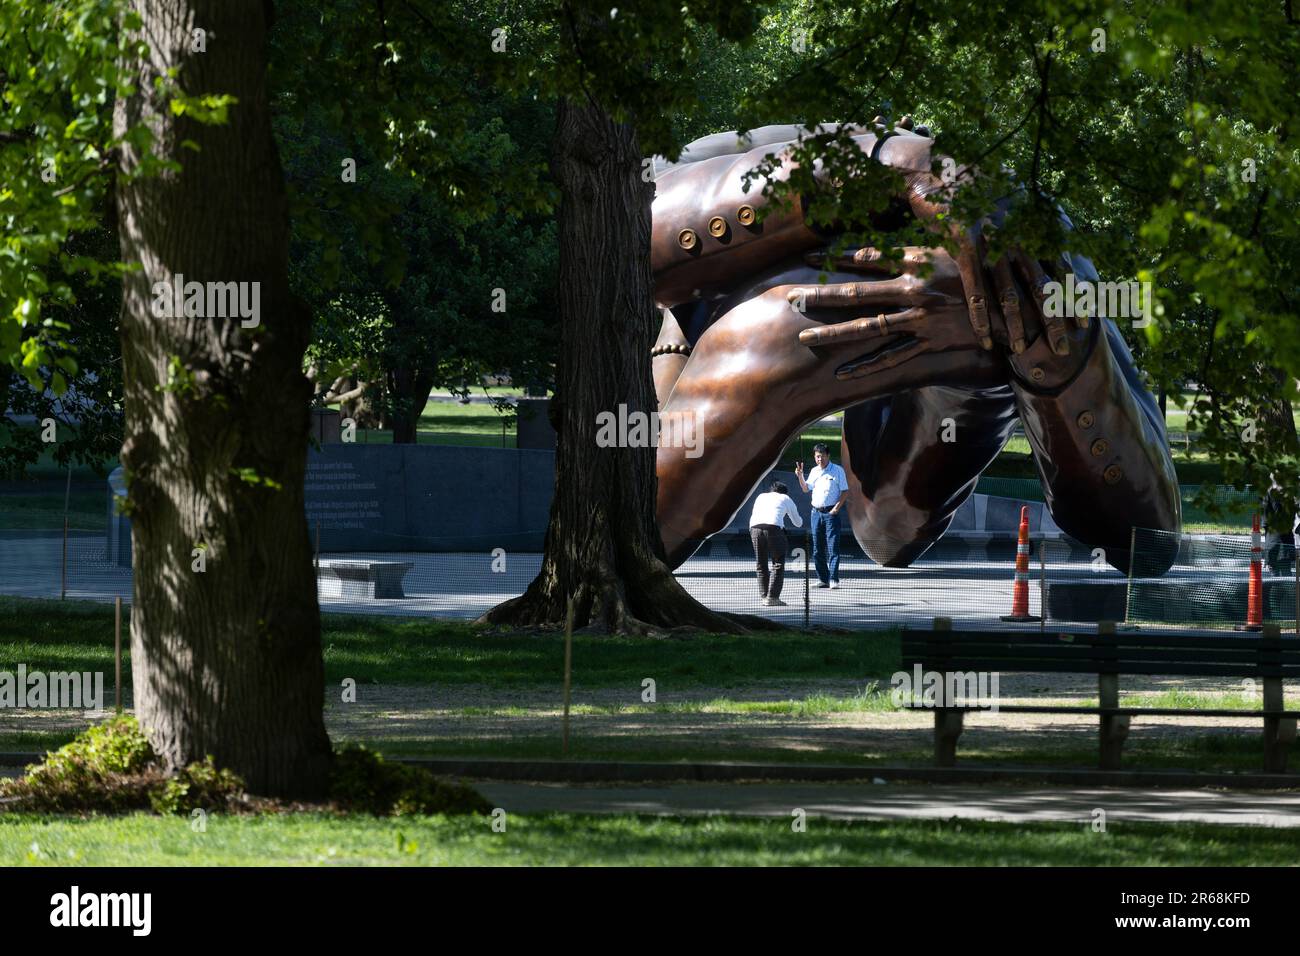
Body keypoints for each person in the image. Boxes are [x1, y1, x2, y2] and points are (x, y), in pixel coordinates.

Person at [796, 444, 848, 588]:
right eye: (818, 456)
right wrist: (800, 476)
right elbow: (806, 488)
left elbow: (845, 491)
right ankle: (823, 578)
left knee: (833, 547)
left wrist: (836, 508)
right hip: (816, 513)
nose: (820, 459)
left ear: (828, 456)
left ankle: (833, 579)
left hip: (831, 512)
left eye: (823, 456)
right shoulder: (814, 471)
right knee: (817, 548)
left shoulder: (837, 470)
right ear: (815, 457)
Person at [747, 480, 803, 606]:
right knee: (778, 563)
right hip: (773, 528)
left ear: (771, 490)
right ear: (784, 492)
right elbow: (798, 523)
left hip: (754, 528)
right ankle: (772, 597)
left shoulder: (761, 496)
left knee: (760, 564)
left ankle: (764, 596)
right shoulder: (786, 498)